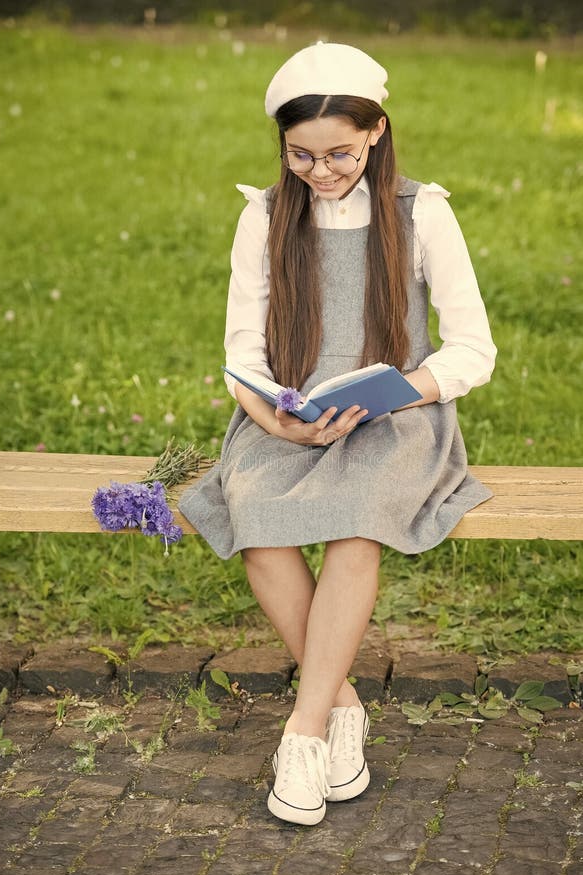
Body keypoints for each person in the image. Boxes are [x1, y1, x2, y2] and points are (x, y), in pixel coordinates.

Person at [179, 42, 496, 826]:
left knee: (358, 522)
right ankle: (344, 705)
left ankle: (302, 731)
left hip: (396, 417)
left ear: (378, 133)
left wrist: (396, 396)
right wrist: (275, 420)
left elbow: (472, 351)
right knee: (256, 514)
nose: (320, 172)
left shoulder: (423, 212)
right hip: (290, 410)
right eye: (301, 155)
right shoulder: (262, 215)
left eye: (339, 154)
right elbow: (240, 352)